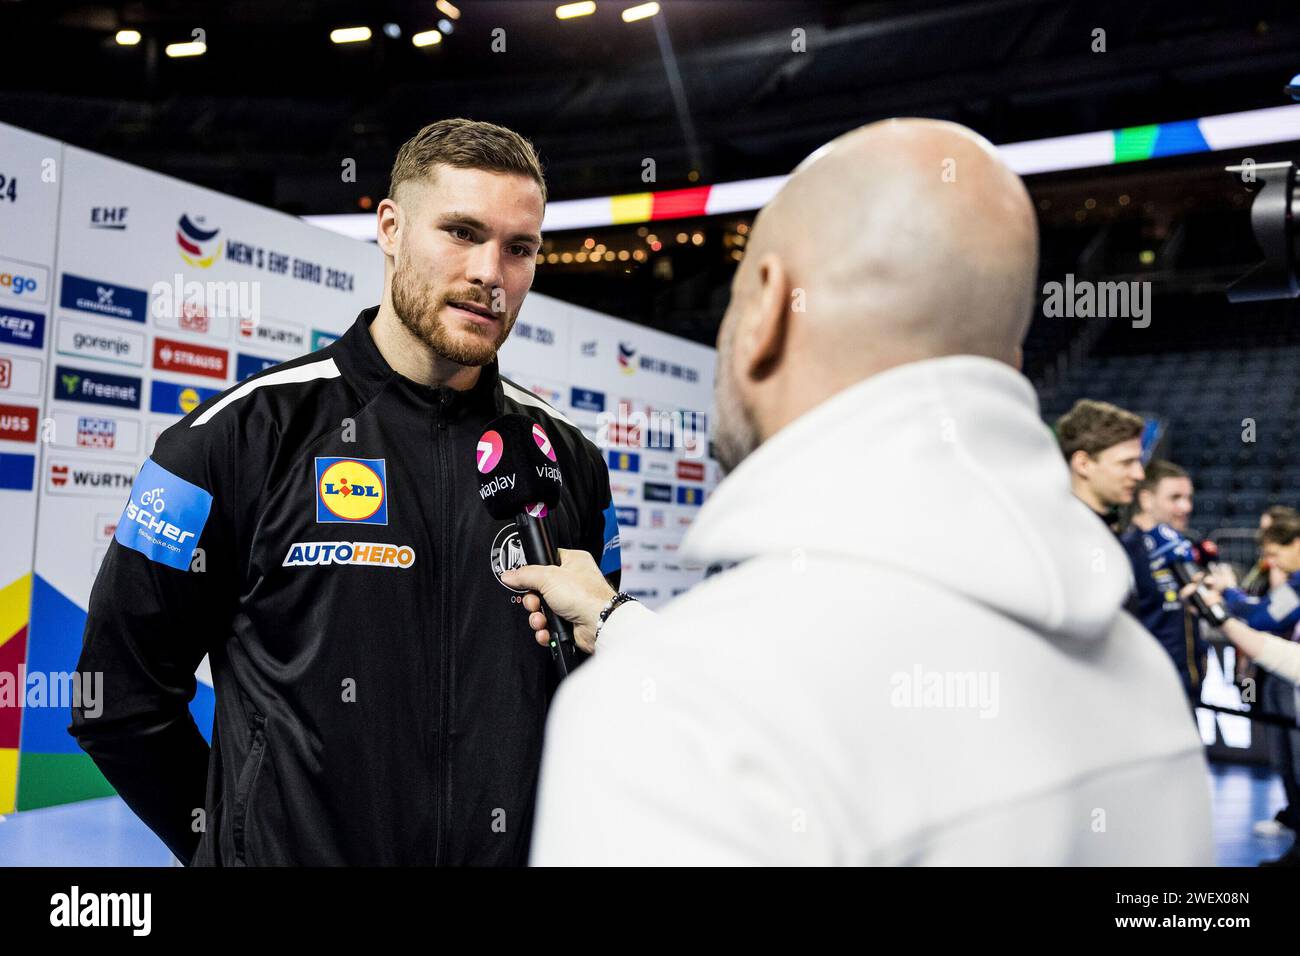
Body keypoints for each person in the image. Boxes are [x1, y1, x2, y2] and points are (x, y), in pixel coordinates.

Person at [504, 118, 1212, 865]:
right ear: (1005, 356)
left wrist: (651, 671)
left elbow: (785, 704)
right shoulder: (1145, 685)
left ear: (770, 305)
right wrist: (620, 624)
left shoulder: (674, 723)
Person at [69, 118, 621, 866]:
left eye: (518, 248)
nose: (492, 272)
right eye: (461, 232)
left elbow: (588, 696)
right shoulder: (233, 438)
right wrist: (231, 848)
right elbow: (119, 699)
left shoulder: (571, 461)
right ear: (390, 228)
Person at [1182, 573, 1300, 867]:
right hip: (1262, 672)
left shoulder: (1293, 585)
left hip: (1279, 675)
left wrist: (1225, 603)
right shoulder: (1267, 578)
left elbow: (1262, 618)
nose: (1270, 558)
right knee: (1284, 757)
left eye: (1276, 550)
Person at [1118, 460, 1207, 701]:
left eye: (1189, 498)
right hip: (1147, 694)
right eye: (1175, 498)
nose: (1186, 507)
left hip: (1189, 689)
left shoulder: (1180, 549)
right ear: (1146, 500)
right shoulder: (1125, 551)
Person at [1055, 399, 1146, 536]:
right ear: (1083, 464)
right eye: (1126, 462)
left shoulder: (1119, 534)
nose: (1139, 475)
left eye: (1138, 461)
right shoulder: (1054, 538)